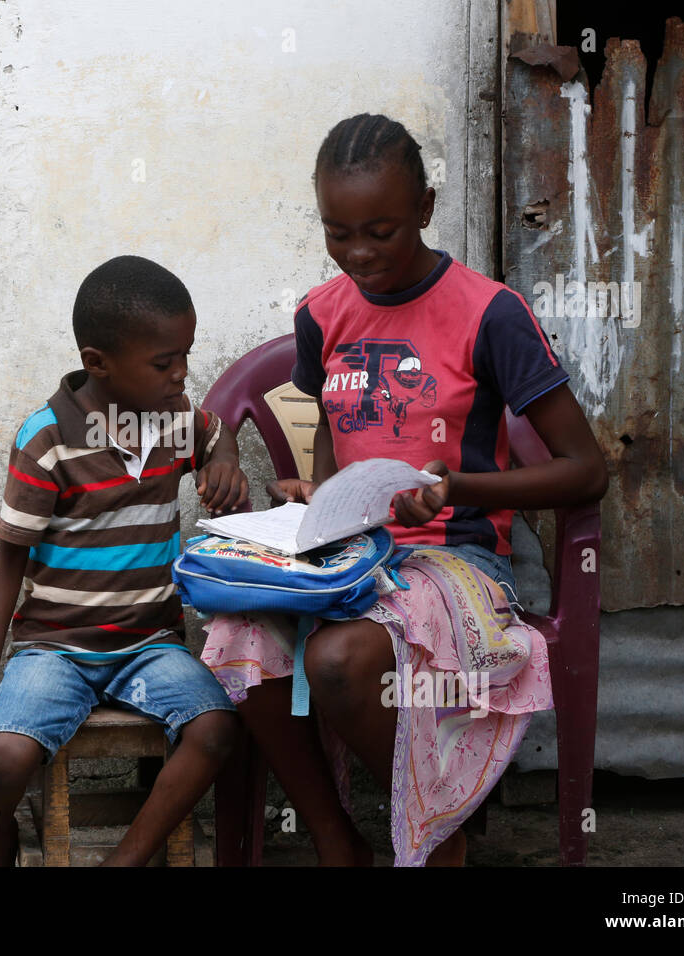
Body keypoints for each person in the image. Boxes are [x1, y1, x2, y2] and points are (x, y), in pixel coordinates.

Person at [199, 114, 609, 866]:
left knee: (337, 661)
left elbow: (587, 469)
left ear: (424, 208)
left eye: (381, 232)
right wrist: (315, 494)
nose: (358, 254)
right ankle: (337, 838)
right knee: (236, 635)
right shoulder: (323, 313)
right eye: (338, 232)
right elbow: (332, 422)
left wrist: (458, 490)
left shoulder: (490, 313)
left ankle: (437, 829)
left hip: (456, 558)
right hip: (353, 550)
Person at [0, 255, 249, 866]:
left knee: (217, 728)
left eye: (186, 357)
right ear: (98, 363)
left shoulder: (175, 419)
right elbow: (8, 557)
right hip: (55, 648)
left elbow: (219, 430)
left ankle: (128, 857)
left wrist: (225, 458)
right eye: (164, 362)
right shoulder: (48, 439)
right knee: (3, 761)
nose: (181, 375)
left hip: (150, 644)